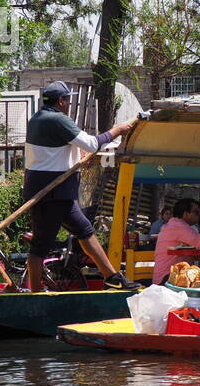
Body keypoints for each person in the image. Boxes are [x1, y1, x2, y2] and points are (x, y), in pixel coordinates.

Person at [23, 81, 140, 292]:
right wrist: (118, 130)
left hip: (56, 192)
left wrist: (79, 154)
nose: (68, 104)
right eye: (67, 100)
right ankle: (35, 293)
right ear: (61, 101)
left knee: (85, 231)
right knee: (41, 245)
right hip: (51, 193)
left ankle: (112, 277)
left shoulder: (38, 119)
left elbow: (54, 153)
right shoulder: (57, 120)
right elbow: (93, 144)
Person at [153, 198, 200, 284]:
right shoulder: (179, 227)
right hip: (167, 280)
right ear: (185, 214)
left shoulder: (172, 225)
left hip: (164, 278)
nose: (199, 216)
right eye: (196, 213)